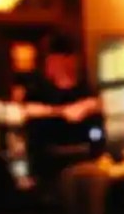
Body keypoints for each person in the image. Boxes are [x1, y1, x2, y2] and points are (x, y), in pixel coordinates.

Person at [23, 35, 102, 188]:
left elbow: (96, 127)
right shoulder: (38, 91)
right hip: (47, 163)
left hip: (84, 159)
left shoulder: (85, 90)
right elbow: (29, 116)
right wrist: (62, 112)